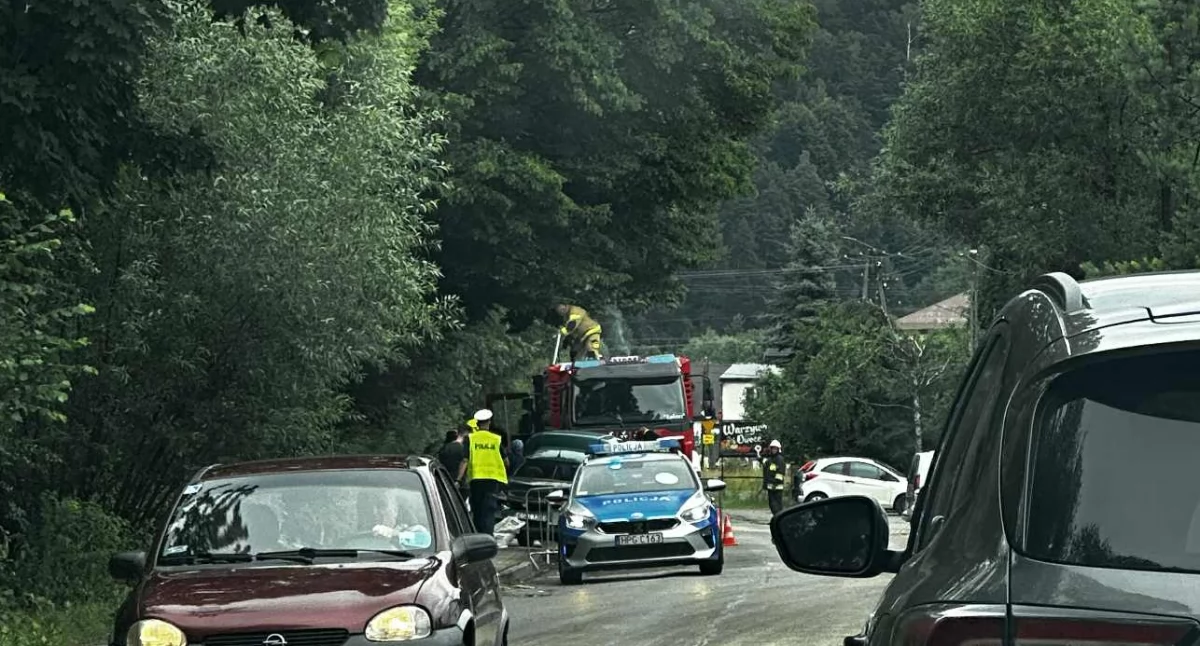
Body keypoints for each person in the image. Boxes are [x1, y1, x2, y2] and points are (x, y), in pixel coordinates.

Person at [458, 408, 508, 535]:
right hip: (492, 481)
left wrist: (458, 479)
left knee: (477, 510)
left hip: (476, 479)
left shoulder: (470, 439)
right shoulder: (496, 439)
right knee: (489, 510)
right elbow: (506, 461)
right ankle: (488, 537)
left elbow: (465, 460)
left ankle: (478, 536)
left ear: (477, 423)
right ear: (489, 422)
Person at [763, 439, 786, 516]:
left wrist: (775, 483)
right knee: (772, 504)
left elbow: (781, 473)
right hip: (770, 486)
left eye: (775, 449)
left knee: (777, 505)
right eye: (772, 448)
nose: (774, 450)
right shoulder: (770, 460)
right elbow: (766, 471)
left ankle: (779, 518)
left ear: (778, 449)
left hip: (777, 487)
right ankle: (776, 517)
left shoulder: (780, 459)